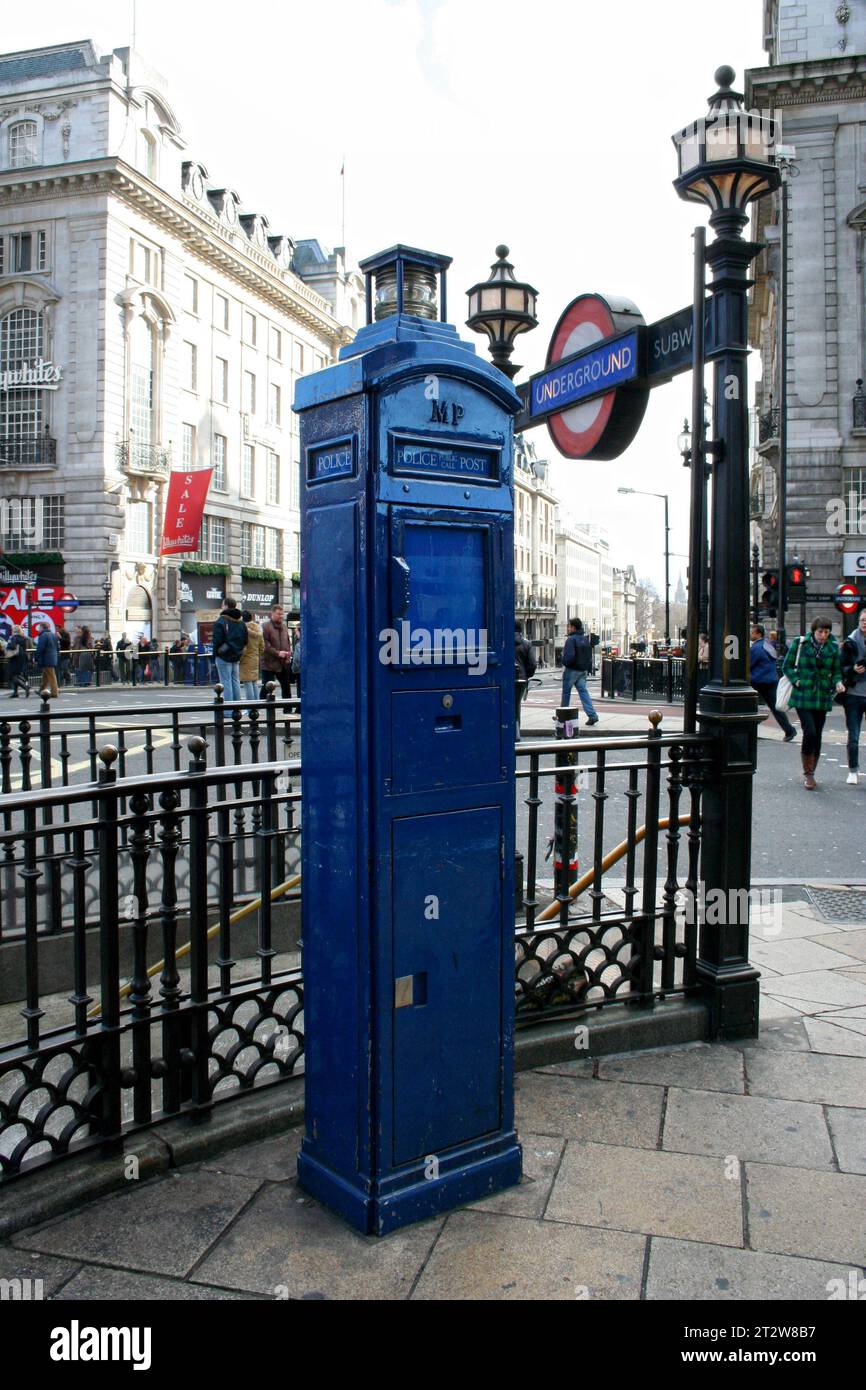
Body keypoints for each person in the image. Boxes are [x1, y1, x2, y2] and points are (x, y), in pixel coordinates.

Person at [782, 616, 846, 790]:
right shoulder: (800, 644)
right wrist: (796, 681)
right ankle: (807, 772)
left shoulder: (833, 647)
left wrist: (838, 682)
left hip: (822, 695)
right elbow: (786, 666)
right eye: (820, 632)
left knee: (817, 734)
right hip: (803, 694)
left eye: (826, 632)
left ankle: (812, 771)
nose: (823, 635)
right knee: (809, 731)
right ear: (814, 631)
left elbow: (836, 671)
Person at [750, 623, 796, 741]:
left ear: (758, 633)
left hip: (758, 680)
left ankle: (753, 722)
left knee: (747, 702)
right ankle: (789, 730)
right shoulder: (767, 644)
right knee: (775, 708)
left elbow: (749, 664)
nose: (751, 634)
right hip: (770, 679)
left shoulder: (756, 648)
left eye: (752, 632)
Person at [840, 607, 866, 786]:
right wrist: (852, 669)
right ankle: (853, 770)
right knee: (854, 735)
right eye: (863, 620)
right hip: (853, 694)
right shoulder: (850, 642)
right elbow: (840, 667)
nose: (865, 623)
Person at [561, 618, 599, 725]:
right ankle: (592, 715)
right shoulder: (585, 639)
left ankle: (562, 716)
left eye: (569, 626)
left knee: (566, 693)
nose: (568, 628)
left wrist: (564, 662)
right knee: (583, 692)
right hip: (582, 670)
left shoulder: (571, 640)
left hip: (572, 670)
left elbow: (569, 656)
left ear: (573, 627)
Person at [212, 597, 247, 702]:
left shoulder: (221, 621)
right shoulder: (241, 622)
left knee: (225, 682)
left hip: (224, 655)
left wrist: (217, 652)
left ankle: (228, 710)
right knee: (235, 681)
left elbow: (217, 640)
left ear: (226, 606)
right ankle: (237, 707)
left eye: (222, 604)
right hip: (236, 655)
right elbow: (245, 639)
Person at [262, 603, 292, 700]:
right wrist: (278, 653)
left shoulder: (284, 627)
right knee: (267, 687)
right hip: (269, 662)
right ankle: (259, 705)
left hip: (283, 662)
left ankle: (287, 708)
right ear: (272, 614)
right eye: (279, 614)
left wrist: (288, 652)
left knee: (286, 686)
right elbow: (265, 645)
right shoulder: (265, 626)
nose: (281, 616)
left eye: (282, 614)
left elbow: (287, 641)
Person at [514, 621, 536, 741]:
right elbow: (532, 664)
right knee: (517, 706)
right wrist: (527, 676)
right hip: (521, 679)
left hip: (508, 679)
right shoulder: (527, 644)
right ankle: (516, 733)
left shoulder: (503, 641)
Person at [239, 609, 265, 702]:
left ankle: (250, 707)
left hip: (245, 658)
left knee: (247, 683)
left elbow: (242, 646)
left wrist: (240, 658)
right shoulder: (258, 629)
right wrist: (257, 654)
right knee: (254, 682)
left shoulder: (243, 629)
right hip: (255, 657)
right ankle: (256, 705)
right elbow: (262, 646)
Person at [35, 622, 60, 698]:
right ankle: (41, 690)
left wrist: (36, 658)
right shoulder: (52, 634)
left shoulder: (43, 635)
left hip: (46, 658)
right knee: (46, 676)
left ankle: (55, 692)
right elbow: (57, 647)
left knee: (51, 675)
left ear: (42, 627)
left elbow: (40, 648)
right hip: (52, 657)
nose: (39, 629)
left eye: (39, 628)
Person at [6, 625, 32, 698]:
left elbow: (13, 646)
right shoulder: (24, 638)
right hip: (22, 658)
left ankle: (25, 687)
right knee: (17, 674)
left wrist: (8, 646)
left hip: (15, 658)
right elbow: (27, 648)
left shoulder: (14, 637)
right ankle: (15, 692)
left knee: (12, 675)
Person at [291, 629, 301, 700]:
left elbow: (297, 660)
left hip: (300, 672)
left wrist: (294, 670)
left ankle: (299, 708)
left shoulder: (299, 645)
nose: (295, 635)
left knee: (300, 691)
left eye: (296, 632)